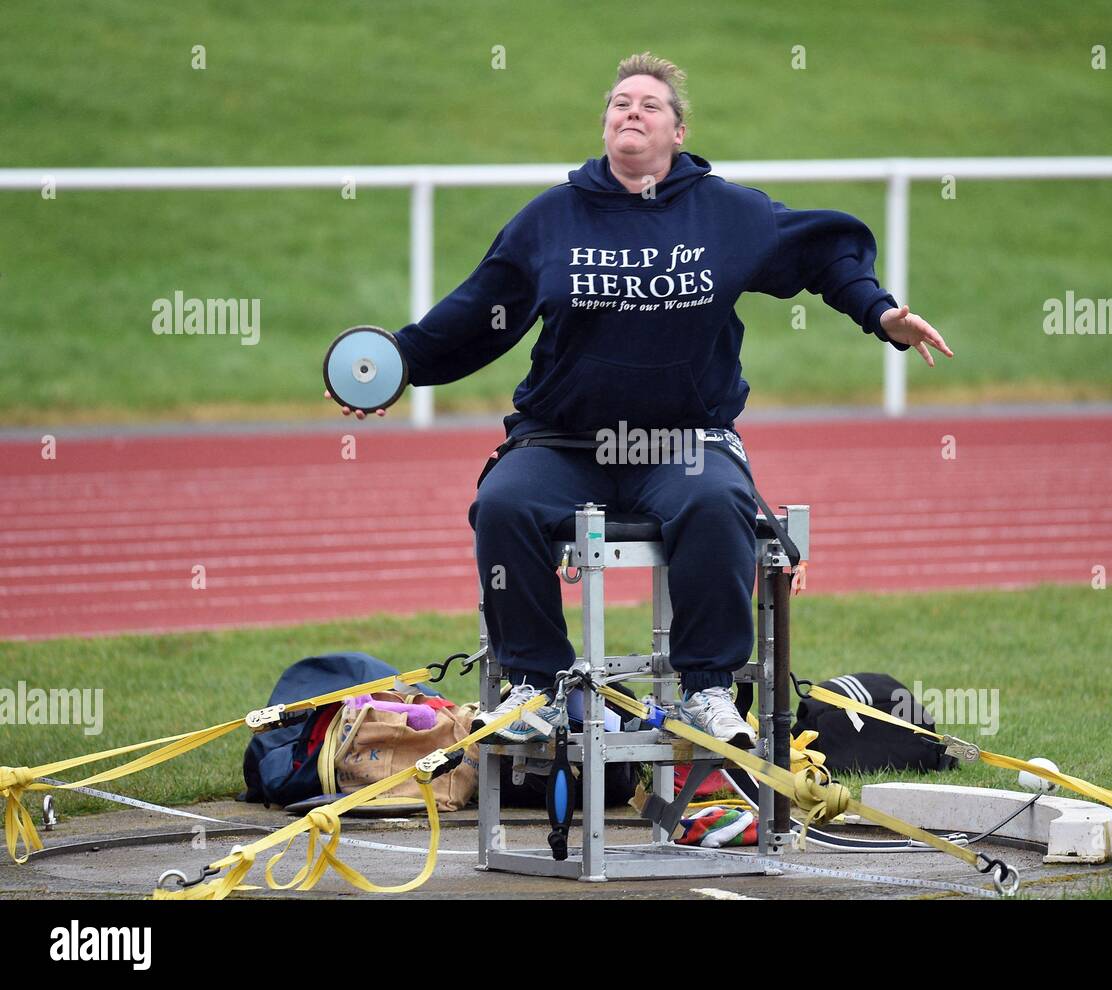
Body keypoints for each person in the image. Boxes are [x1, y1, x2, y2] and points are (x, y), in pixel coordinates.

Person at [333, 52, 952, 748]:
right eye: (619, 103)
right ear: (605, 126)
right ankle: (535, 687)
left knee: (719, 504)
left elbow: (824, 254)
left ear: (679, 133)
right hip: (564, 443)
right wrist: (398, 365)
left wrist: (880, 312)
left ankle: (707, 692)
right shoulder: (551, 220)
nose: (632, 111)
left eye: (649, 104)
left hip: (683, 445)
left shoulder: (729, 214)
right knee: (503, 503)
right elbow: (479, 312)